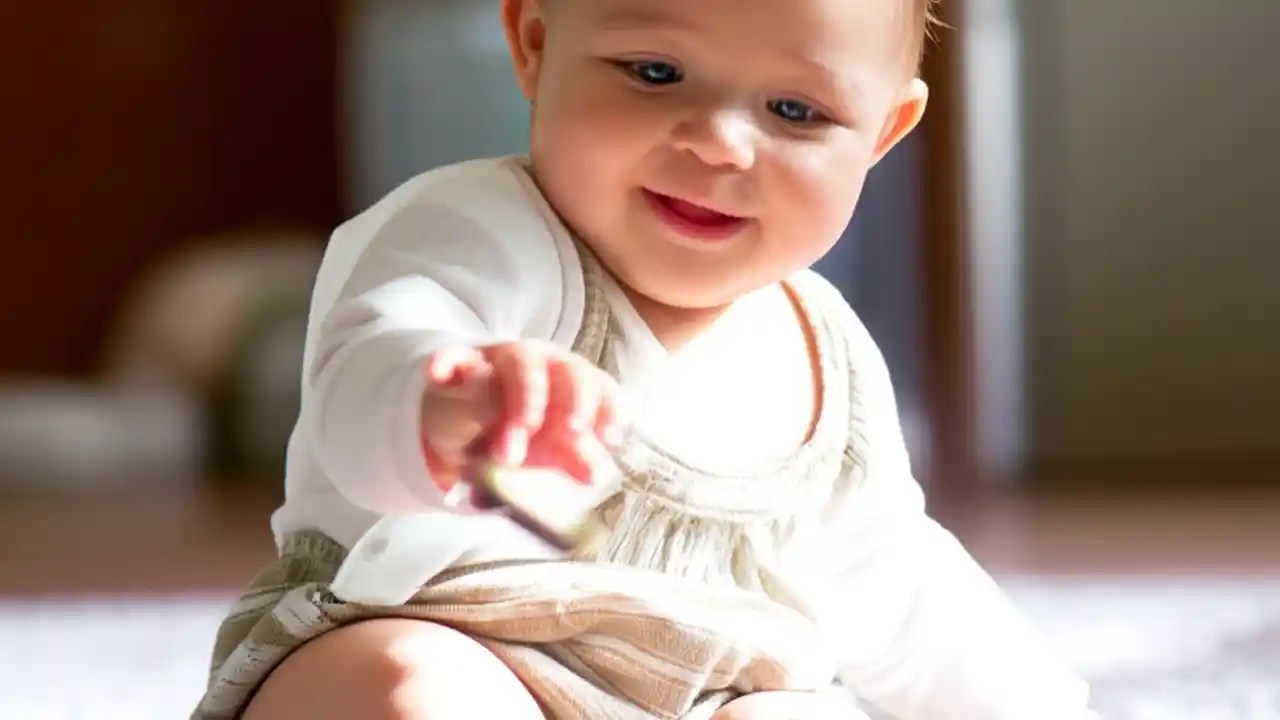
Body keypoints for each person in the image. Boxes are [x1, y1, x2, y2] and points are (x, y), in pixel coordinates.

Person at [195, 0, 1097, 717]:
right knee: (404, 684)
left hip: (707, 694)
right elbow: (367, 369)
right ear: (535, 41)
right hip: (454, 633)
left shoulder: (830, 359)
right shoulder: (477, 232)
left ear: (881, 134)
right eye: (655, 73)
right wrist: (442, 407)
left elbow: (900, 591)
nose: (718, 141)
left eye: (797, 110)